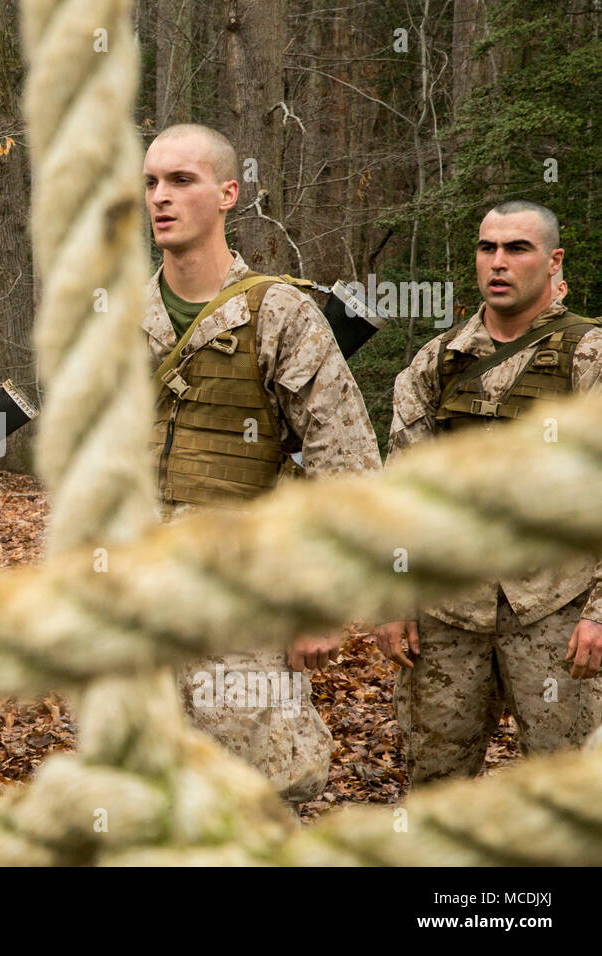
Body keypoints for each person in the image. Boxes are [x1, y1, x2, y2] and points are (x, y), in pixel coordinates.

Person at [142, 124, 382, 805]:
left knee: (263, 789)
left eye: (182, 181)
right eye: (152, 183)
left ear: (227, 193)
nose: (162, 197)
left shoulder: (281, 315)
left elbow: (348, 467)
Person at [377, 200, 602, 785]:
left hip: (558, 609)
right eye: (487, 248)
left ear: (554, 261)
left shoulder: (589, 356)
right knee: (435, 791)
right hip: (447, 614)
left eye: (517, 248)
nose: (498, 262)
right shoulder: (437, 363)